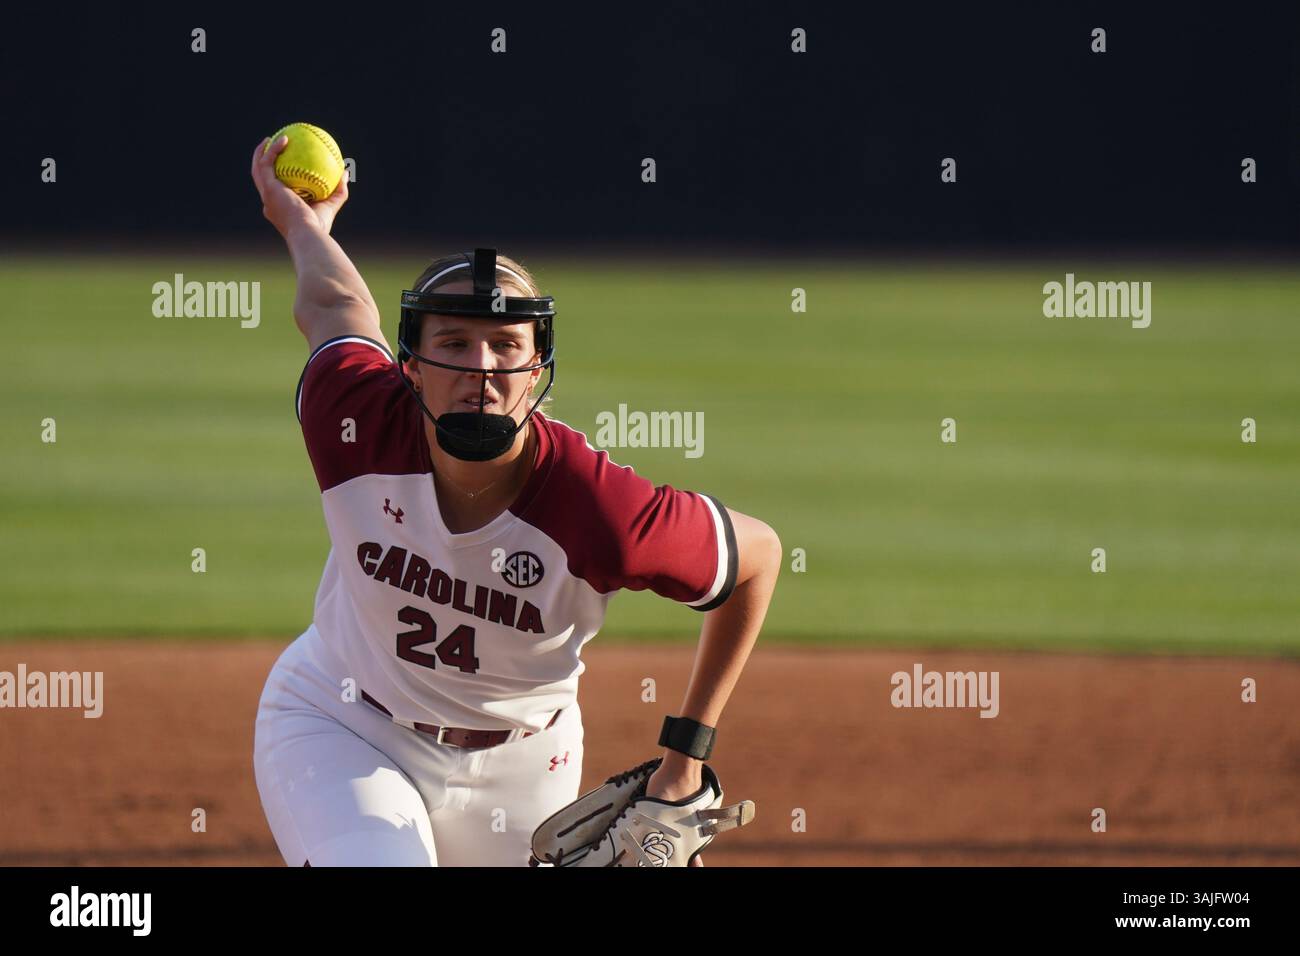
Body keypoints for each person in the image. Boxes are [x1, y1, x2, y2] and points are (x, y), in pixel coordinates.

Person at [247, 133, 782, 866]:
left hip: (527, 770)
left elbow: (757, 558)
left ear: (538, 372)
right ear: (410, 365)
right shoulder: (355, 422)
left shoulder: (599, 509)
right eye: (455, 343)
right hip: (341, 727)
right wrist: (304, 224)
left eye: (506, 346)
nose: (482, 368)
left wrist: (685, 758)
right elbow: (333, 303)